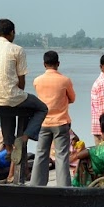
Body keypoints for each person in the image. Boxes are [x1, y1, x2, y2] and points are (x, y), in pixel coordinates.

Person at [0, 18, 47, 183]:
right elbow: (21, 82)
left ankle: (9, 147)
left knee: (6, 110)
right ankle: (24, 137)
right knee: (41, 108)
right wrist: (18, 93)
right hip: (10, 95)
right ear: (12, 32)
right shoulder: (17, 50)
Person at [32, 50, 76, 187]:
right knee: (61, 156)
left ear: (44, 64)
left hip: (43, 122)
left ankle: (36, 185)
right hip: (61, 122)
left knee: (40, 154)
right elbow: (72, 98)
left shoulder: (37, 81)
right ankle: (63, 187)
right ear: (58, 64)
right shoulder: (65, 80)